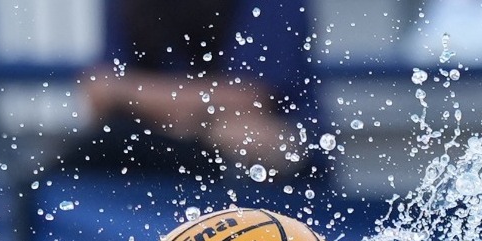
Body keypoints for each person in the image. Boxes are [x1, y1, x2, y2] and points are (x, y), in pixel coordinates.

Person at [63, 0, 329, 186]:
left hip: (271, 158)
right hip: (169, 146)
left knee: (252, 138)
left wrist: (131, 94)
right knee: (97, 151)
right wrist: (196, 121)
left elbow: (250, 97)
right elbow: (99, 95)